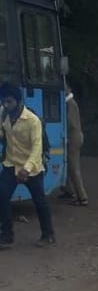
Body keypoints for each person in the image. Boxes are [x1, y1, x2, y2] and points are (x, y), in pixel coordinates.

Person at [0, 82, 56, 249]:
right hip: (11, 163)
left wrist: (26, 168)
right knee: (2, 196)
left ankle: (48, 235)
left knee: (39, 201)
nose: (5, 104)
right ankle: (7, 235)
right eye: (3, 101)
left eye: (9, 101)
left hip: (31, 167)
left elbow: (37, 147)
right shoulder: (3, 114)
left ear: (18, 101)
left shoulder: (33, 121)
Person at [63, 87, 89, 206]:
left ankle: (82, 197)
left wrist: (61, 129)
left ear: (68, 89)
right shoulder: (69, 102)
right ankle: (69, 190)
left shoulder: (70, 104)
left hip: (73, 138)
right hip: (75, 137)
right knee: (68, 164)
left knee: (74, 167)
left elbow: (70, 122)